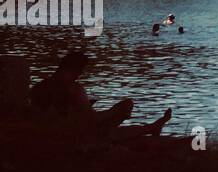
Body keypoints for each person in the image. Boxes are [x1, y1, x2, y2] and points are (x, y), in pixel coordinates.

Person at [29, 52, 172, 137]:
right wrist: (114, 111)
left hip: (59, 129)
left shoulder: (40, 86)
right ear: (75, 69)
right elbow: (91, 119)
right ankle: (152, 127)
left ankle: (152, 127)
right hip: (73, 133)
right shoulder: (74, 89)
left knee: (111, 125)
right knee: (124, 108)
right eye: (80, 71)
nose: (80, 75)